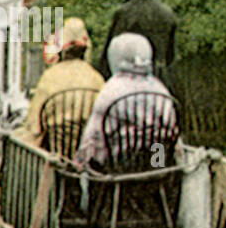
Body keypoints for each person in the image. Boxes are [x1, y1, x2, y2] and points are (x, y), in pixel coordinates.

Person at [75, 33, 176, 169]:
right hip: (156, 163)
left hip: (121, 165)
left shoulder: (110, 91)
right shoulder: (160, 90)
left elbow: (93, 137)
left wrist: (81, 161)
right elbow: (171, 129)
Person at [13, 17, 105, 149]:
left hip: (54, 154)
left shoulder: (50, 78)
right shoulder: (97, 80)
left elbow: (34, 126)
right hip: (87, 154)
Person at [96, 0, 178, 90]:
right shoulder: (166, 13)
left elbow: (108, 58)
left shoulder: (124, 13)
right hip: (162, 86)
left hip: (131, 87)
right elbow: (170, 57)